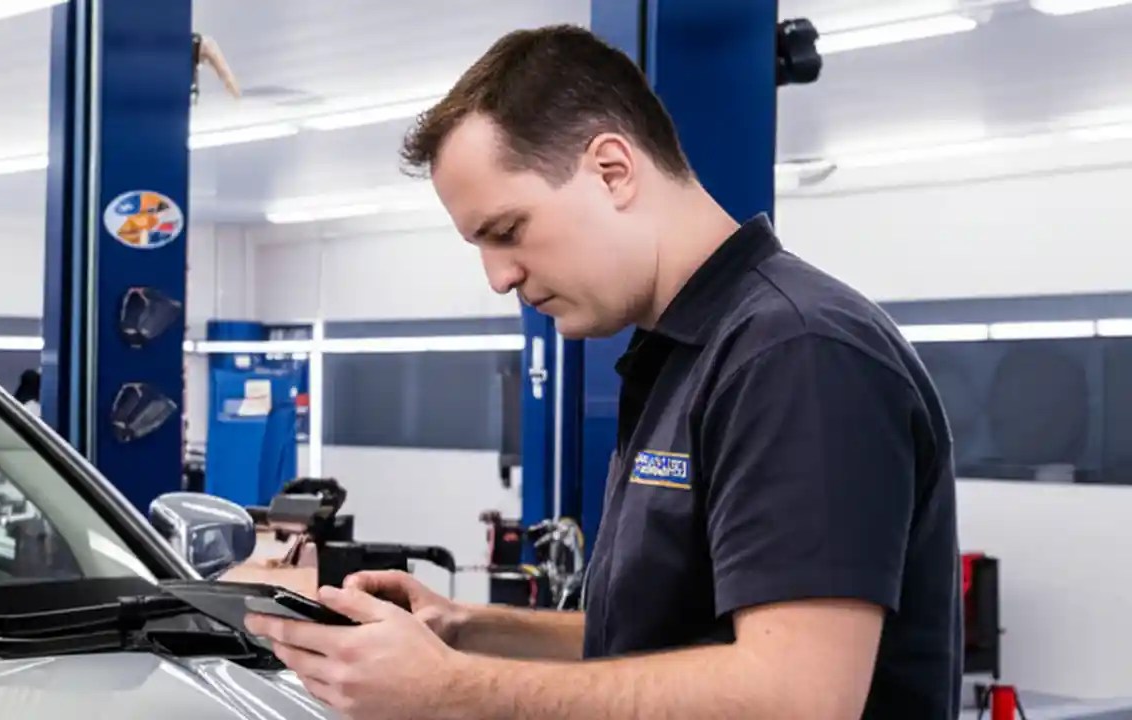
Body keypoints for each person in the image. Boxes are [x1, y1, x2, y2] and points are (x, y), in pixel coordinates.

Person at [245, 24, 961, 720]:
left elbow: (794, 697)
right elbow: (659, 646)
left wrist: (457, 692)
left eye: (507, 231)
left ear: (612, 170)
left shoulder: (796, 352)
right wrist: (464, 628)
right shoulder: (684, 354)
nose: (499, 277)